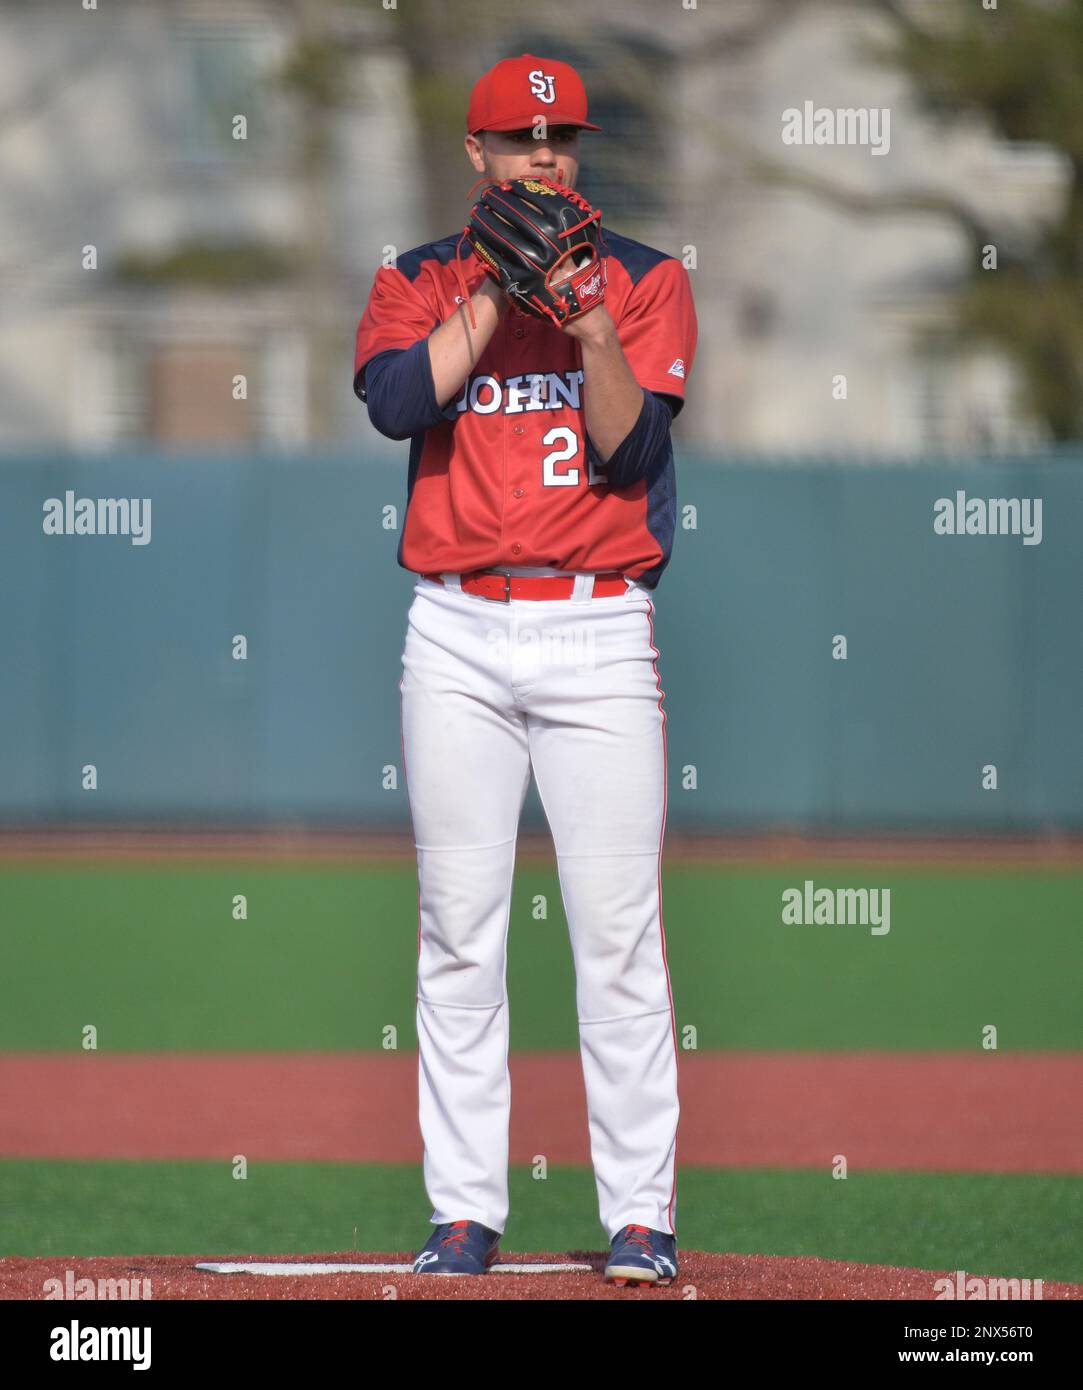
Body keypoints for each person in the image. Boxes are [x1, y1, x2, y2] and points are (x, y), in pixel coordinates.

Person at [353, 51, 697, 1287]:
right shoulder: (416, 278)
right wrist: (498, 297)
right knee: (459, 932)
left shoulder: (648, 280)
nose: (544, 159)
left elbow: (626, 445)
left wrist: (586, 308)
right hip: (454, 630)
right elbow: (397, 403)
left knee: (614, 936)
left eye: (561, 140)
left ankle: (640, 1218)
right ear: (476, 156)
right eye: (520, 141)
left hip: (597, 629)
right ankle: (464, 1213)